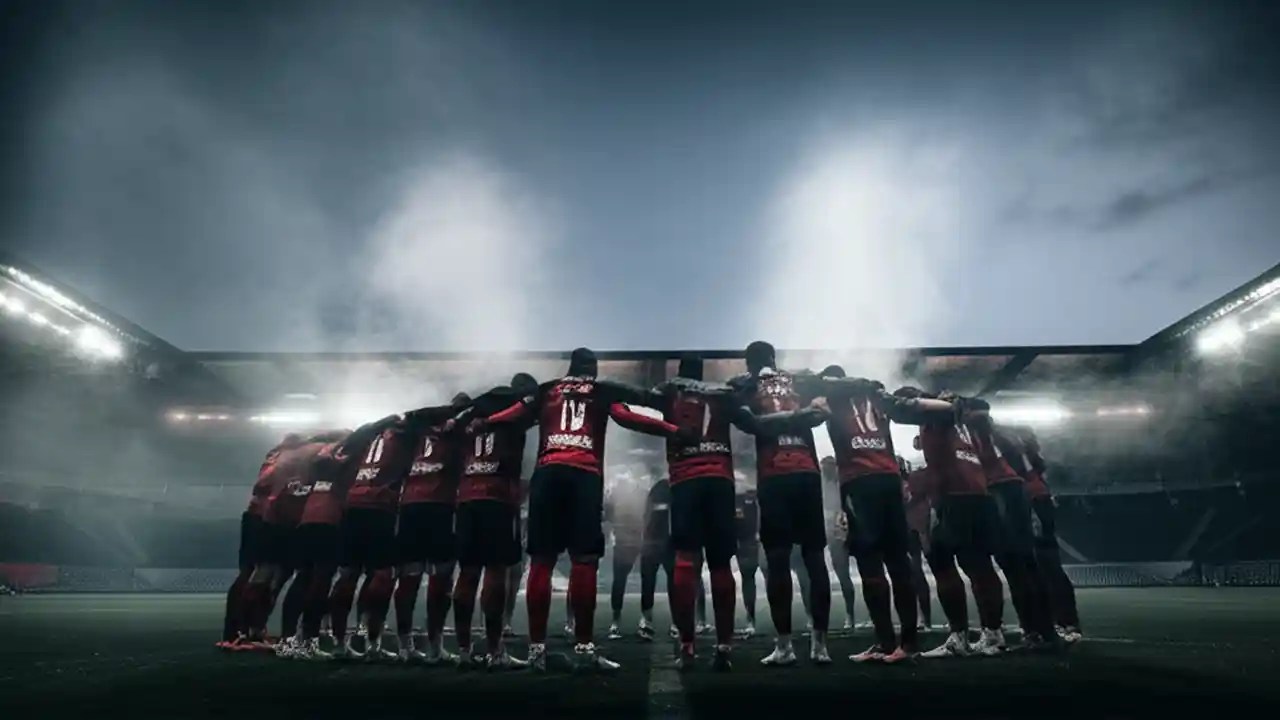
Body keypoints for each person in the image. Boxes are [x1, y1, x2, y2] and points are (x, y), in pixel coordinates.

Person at [466, 347, 683, 672]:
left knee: (541, 559)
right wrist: (673, 430)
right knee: (585, 560)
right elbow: (628, 416)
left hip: (548, 472)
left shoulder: (548, 389)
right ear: (592, 370)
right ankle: (584, 647)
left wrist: (485, 422)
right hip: (584, 474)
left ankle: (537, 651)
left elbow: (516, 413)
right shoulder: (600, 390)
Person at [880, 388, 1005, 659]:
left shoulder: (935, 412)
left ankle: (959, 637)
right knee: (979, 565)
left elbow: (902, 408)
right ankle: (993, 635)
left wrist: (882, 398)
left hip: (953, 496)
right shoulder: (960, 418)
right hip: (979, 493)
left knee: (941, 562)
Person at [729, 341, 832, 666]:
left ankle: (785, 646)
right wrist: (803, 414)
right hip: (807, 471)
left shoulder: (745, 385)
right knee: (815, 557)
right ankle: (820, 645)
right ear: (775, 358)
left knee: (777, 558)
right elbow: (821, 405)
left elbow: (748, 422)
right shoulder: (798, 381)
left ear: (749, 363)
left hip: (775, 474)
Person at [811, 368, 918, 663]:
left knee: (872, 563)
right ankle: (905, 643)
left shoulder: (831, 399)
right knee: (898, 560)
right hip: (887, 478)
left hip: (859, 481)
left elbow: (815, 407)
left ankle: (889, 643)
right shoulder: (875, 395)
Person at [284, 422, 397, 660]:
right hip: (332, 516)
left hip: (309, 515)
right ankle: (310, 639)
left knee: (305, 577)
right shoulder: (355, 455)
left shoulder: (321, 453)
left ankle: (291, 639)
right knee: (323, 578)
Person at [450, 375, 538, 670]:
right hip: (498, 498)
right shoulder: (515, 413)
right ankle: (494, 650)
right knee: (496, 570)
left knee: (468, 572)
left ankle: (463, 649)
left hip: (467, 498)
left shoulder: (471, 417)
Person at [328, 415, 422, 660]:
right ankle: (373, 644)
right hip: (381, 505)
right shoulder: (405, 434)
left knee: (348, 574)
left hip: (353, 503)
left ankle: (339, 643)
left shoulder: (367, 436)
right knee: (382, 575)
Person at [968, 409, 1059, 650]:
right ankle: (1044, 630)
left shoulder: (977, 433)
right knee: (1027, 565)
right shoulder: (1005, 436)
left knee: (1014, 565)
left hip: (1000, 491)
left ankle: (1033, 631)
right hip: (1015, 490)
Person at [391, 395, 472, 663]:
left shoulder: (419, 429)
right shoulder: (460, 431)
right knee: (441, 576)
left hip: (410, 506)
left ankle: (405, 646)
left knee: (409, 576)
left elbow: (408, 414)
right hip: (440, 506)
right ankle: (434, 647)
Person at [218, 433, 304, 650]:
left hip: (260, 515)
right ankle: (240, 632)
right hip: (266, 517)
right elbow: (270, 486)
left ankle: (248, 630)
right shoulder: (288, 458)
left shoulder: (276, 454)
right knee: (259, 574)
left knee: (263, 574)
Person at [1015, 425, 1081, 642]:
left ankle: (1065, 623)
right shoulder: (1031, 462)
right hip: (1035, 502)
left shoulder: (1021, 459)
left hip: (1033, 503)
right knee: (1040, 565)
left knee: (1046, 564)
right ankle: (1053, 622)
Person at [820, 456, 858, 634]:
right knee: (824, 574)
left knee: (843, 574)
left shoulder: (842, 483)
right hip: (825, 528)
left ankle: (850, 614)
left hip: (839, 529)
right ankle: (819, 618)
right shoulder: (821, 484)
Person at [903, 458, 935, 630]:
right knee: (917, 574)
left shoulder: (912, 482)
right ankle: (925, 618)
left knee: (918, 573)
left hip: (920, 529)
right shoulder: (914, 481)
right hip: (918, 529)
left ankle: (925, 618)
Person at [733, 477, 762, 638]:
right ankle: (749, 619)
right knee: (746, 577)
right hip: (736, 537)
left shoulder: (750, 490)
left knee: (749, 576)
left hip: (749, 538)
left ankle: (751, 619)